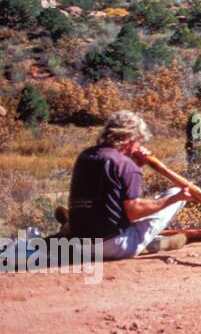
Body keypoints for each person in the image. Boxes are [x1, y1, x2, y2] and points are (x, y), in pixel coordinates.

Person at [60, 110, 193, 259]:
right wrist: (177, 198)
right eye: (138, 141)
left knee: (137, 213)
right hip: (114, 245)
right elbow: (133, 212)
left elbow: (111, 192)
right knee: (174, 193)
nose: (138, 146)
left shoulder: (86, 155)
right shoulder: (125, 165)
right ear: (129, 138)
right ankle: (152, 243)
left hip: (80, 243)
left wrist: (135, 166)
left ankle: (155, 242)